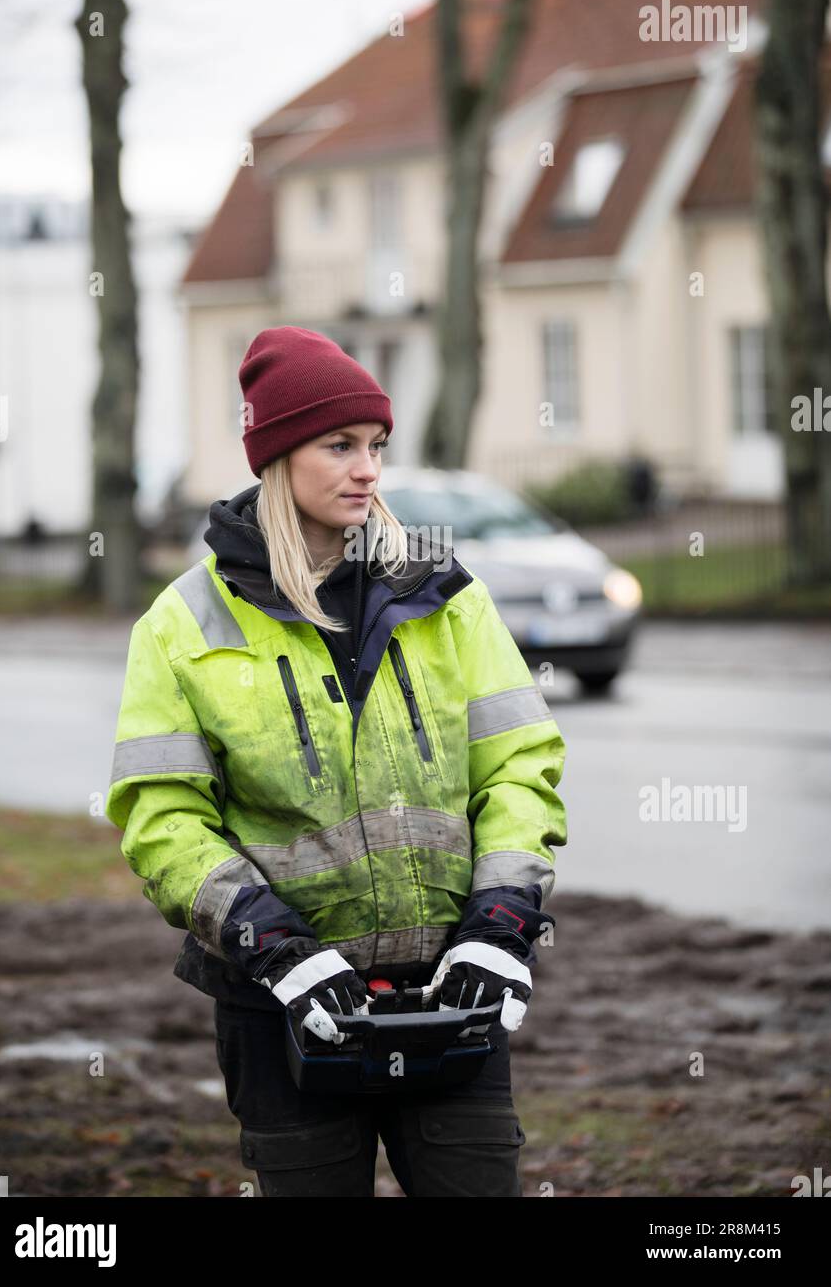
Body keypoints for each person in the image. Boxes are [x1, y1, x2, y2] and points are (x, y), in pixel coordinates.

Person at [105, 325, 567, 1198]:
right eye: (340, 445)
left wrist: (502, 924)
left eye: (377, 446)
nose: (369, 470)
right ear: (278, 454)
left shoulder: (442, 594)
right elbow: (163, 819)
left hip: (452, 996)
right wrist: (277, 952)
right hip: (279, 1015)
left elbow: (519, 768)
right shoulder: (181, 623)